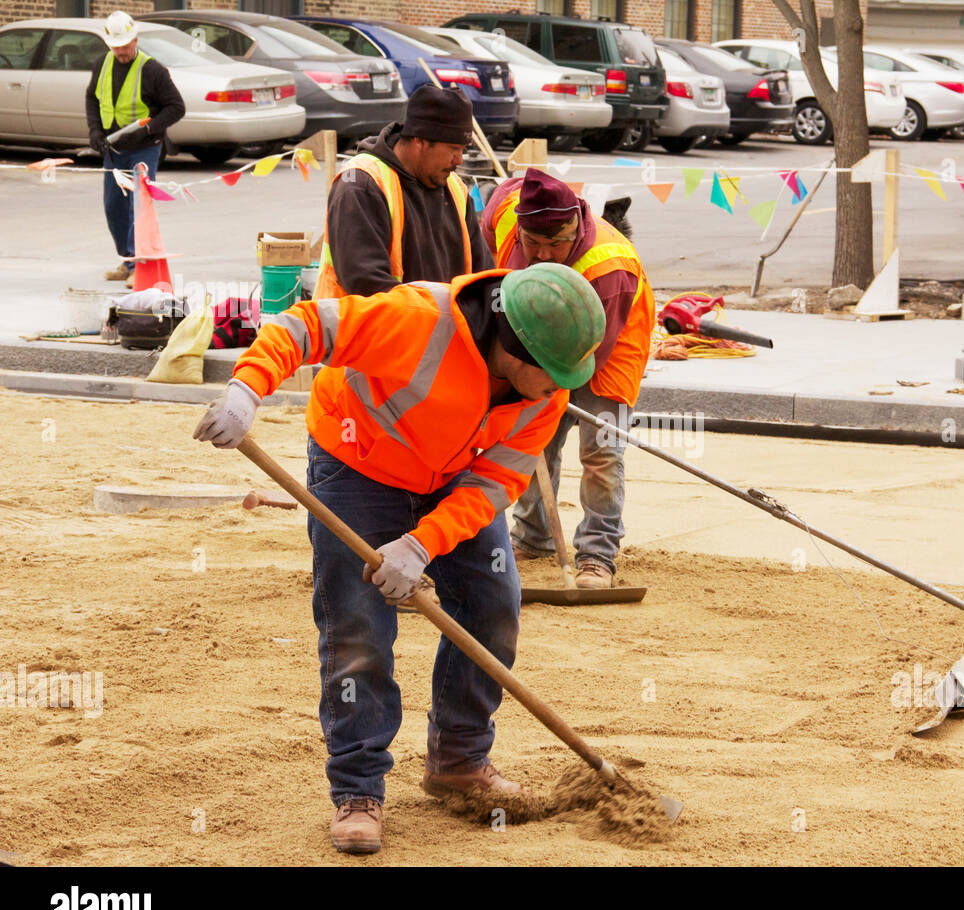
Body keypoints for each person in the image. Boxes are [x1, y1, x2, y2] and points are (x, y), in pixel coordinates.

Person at [192, 263, 604, 855]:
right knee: (358, 623)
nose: (560, 388)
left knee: (493, 601)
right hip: (358, 463)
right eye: (553, 374)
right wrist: (245, 390)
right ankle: (358, 789)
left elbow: (494, 483)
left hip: (452, 475)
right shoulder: (415, 321)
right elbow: (305, 325)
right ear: (513, 346)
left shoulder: (547, 389)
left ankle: (459, 760)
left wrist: (422, 543)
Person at [483, 169, 655, 589]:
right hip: (538, 329)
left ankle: (598, 553)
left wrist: (546, 386)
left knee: (601, 449)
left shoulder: (610, 266)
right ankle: (534, 535)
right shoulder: (506, 215)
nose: (542, 254)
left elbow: (590, 354)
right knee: (535, 440)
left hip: (607, 345)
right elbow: (492, 223)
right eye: (532, 243)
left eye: (555, 243)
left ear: (576, 225)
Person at [315, 85, 491, 298]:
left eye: (463, 150)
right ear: (420, 141)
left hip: (436, 328)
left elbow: (484, 275)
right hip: (366, 329)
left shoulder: (456, 190)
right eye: (454, 149)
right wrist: (440, 313)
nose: (460, 160)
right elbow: (366, 284)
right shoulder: (361, 184)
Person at [85, 11, 185, 287]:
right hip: (113, 149)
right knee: (113, 206)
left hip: (144, 149)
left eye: (126, 46)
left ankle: (139, 266)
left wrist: (151, 127)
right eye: (116, 47)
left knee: (137, 208)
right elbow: (92, 99)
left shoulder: (153, 70)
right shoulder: (101, 65)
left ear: (136, 40)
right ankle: (127, 259)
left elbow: (176, 108)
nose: (122, 52)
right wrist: (95, 131)